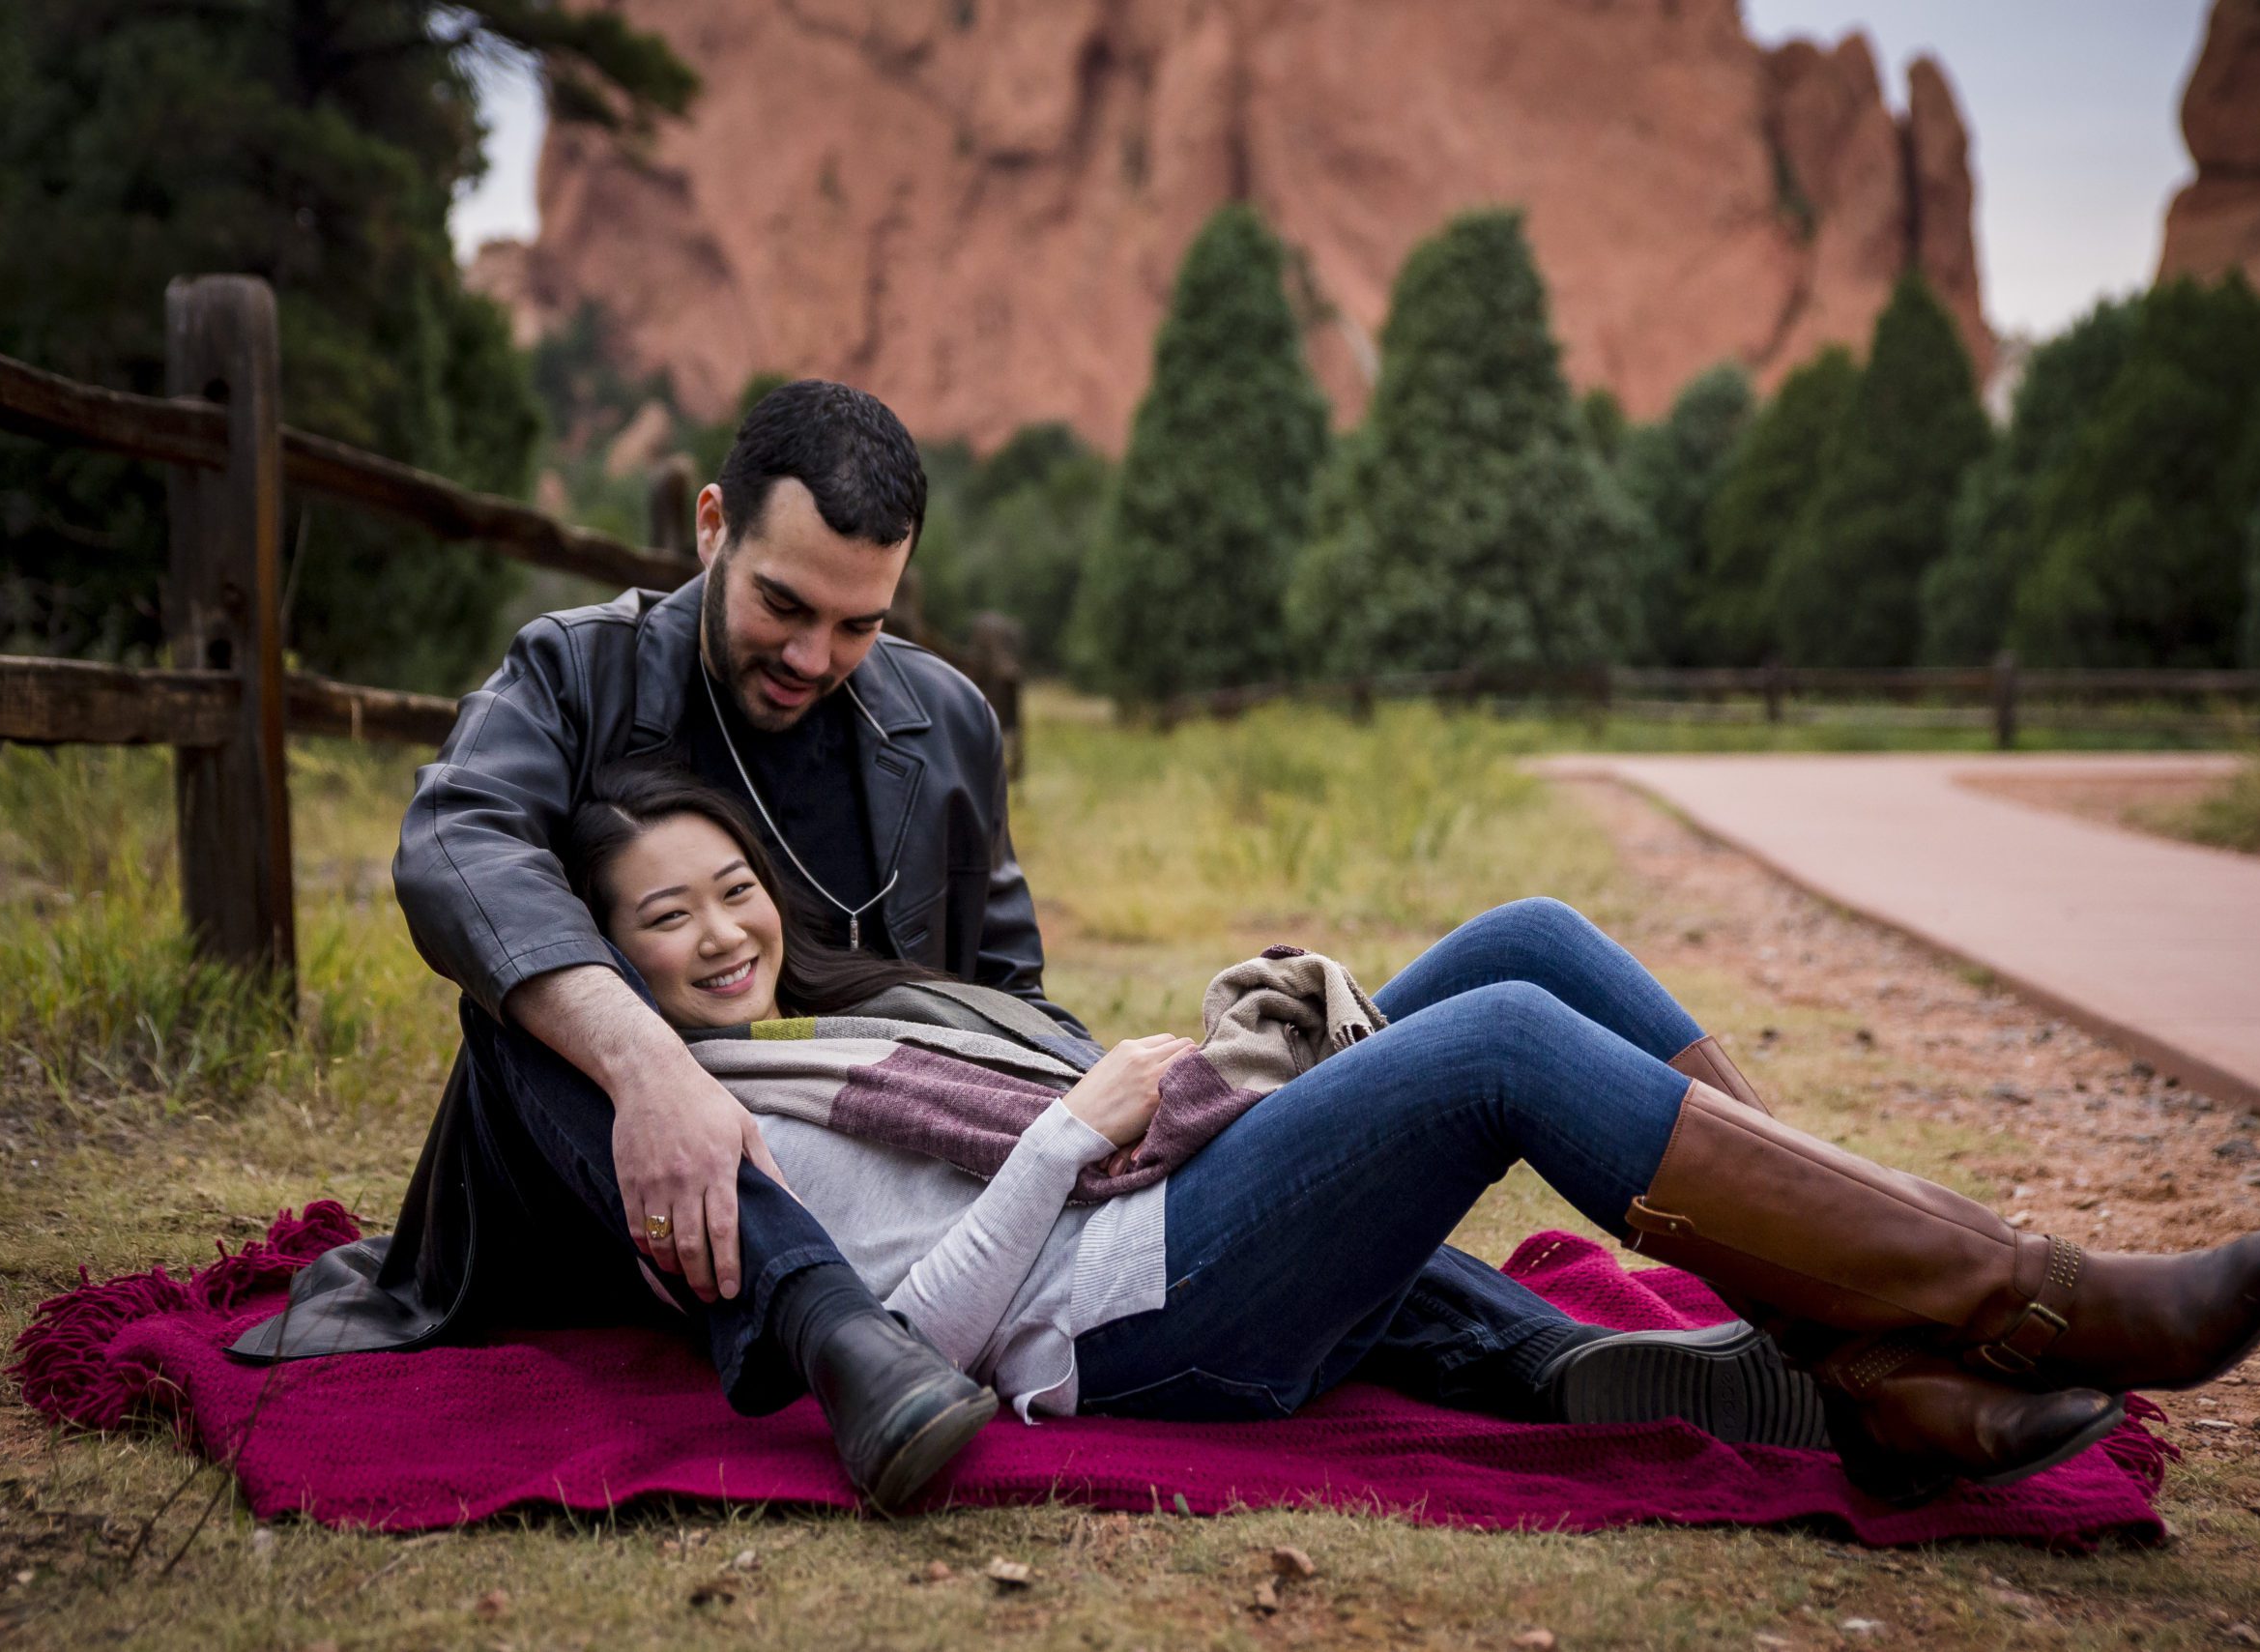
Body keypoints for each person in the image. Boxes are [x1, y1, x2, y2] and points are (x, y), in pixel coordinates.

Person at [242, 380, 1831, 1507]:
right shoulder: (576, 677)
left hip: (958, 1169)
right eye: (784, 606)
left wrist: (1165, 1124)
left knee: (1503, 964)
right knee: (534, 1011)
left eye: (860, 622)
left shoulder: (937, 720)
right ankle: (833, 1339)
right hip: (649, 1190)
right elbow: (457, 849)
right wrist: (648, 1057)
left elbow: (1006, 998)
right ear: (711, 524)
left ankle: (1801, 1304)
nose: (816, 657)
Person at [507, 760, 2260, 1508]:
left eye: (731, 886)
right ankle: (2020, 1293)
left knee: (1520, 936)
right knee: (1503, 1043)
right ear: (608, 960)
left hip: (1175, 1200)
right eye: (668, 920)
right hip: (1142, 1314)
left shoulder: (832, 1031)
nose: (726, 931)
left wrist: (1174, 1092)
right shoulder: (695, 1127)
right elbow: (915, 1351)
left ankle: (1858, 1345)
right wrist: (1068, 1129)